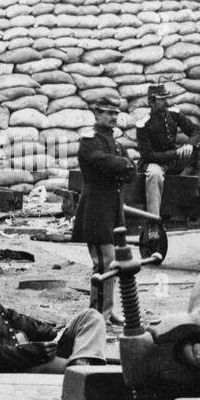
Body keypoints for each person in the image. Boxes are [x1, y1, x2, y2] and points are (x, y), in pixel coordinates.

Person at [0, 229, 108, 373]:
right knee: (76, 368)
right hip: (20, 364)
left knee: (91, 317)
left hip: (31, 351)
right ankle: (83, 371)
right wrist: (34, 352)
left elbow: (10, 316)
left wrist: (49, 332)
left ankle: (82, 366)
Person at [70, 97, 136, 326]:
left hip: (112, 207)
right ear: (97, 115)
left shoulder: (115, 143)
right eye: (108, 113)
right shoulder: (90, 140)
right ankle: (97, 315)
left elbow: (131, 171)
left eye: (116, 114)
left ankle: (106, 311)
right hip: (96, 207)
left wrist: (123, 164)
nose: (113, 117)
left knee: (113, 261)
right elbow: (102, 162)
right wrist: (123, 164)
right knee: (103, 263)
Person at [136, 82, 200, 215]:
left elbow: (198, 131)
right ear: (151, 102)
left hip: (174, 164)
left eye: (166, 98)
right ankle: (153, 221)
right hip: (155, 163)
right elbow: (147, 155)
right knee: (154, 175)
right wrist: (175, 153)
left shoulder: (174, 114)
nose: (166, 102)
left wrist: (189, 144)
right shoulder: (144, 124)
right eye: (162, 100)